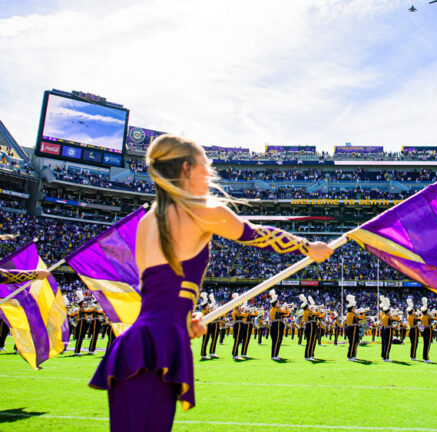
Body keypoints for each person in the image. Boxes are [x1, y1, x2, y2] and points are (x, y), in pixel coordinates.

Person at [88, 134, 332, 432]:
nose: (210, 173)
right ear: (187, 168)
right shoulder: (201, 209)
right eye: (206, 165)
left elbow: (157, 294)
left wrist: (181, 319)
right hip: (157, 344)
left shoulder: (146, 222)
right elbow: (257, 235)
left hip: (140, 342)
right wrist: (308, 247)